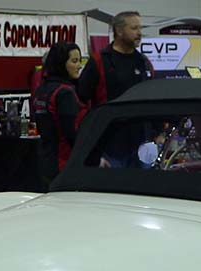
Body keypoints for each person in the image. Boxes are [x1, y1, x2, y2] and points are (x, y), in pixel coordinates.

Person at [77, 11, 154, 167]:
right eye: (134, 28)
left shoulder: (143, 62)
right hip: (109, 146)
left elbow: (152, 99)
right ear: (119, 31)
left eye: (140, 28)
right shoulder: (100, 61)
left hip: (141, 145)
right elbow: (81, 99)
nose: (139, 33)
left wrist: (156, 133)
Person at [33, 42, 86, 187]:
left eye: (79, 61)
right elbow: (71, 134)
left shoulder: (41, 90)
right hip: (65, 164)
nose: (79, 66)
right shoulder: (64, 93)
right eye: (74, 61)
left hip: (45, 161)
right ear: (61, 63)